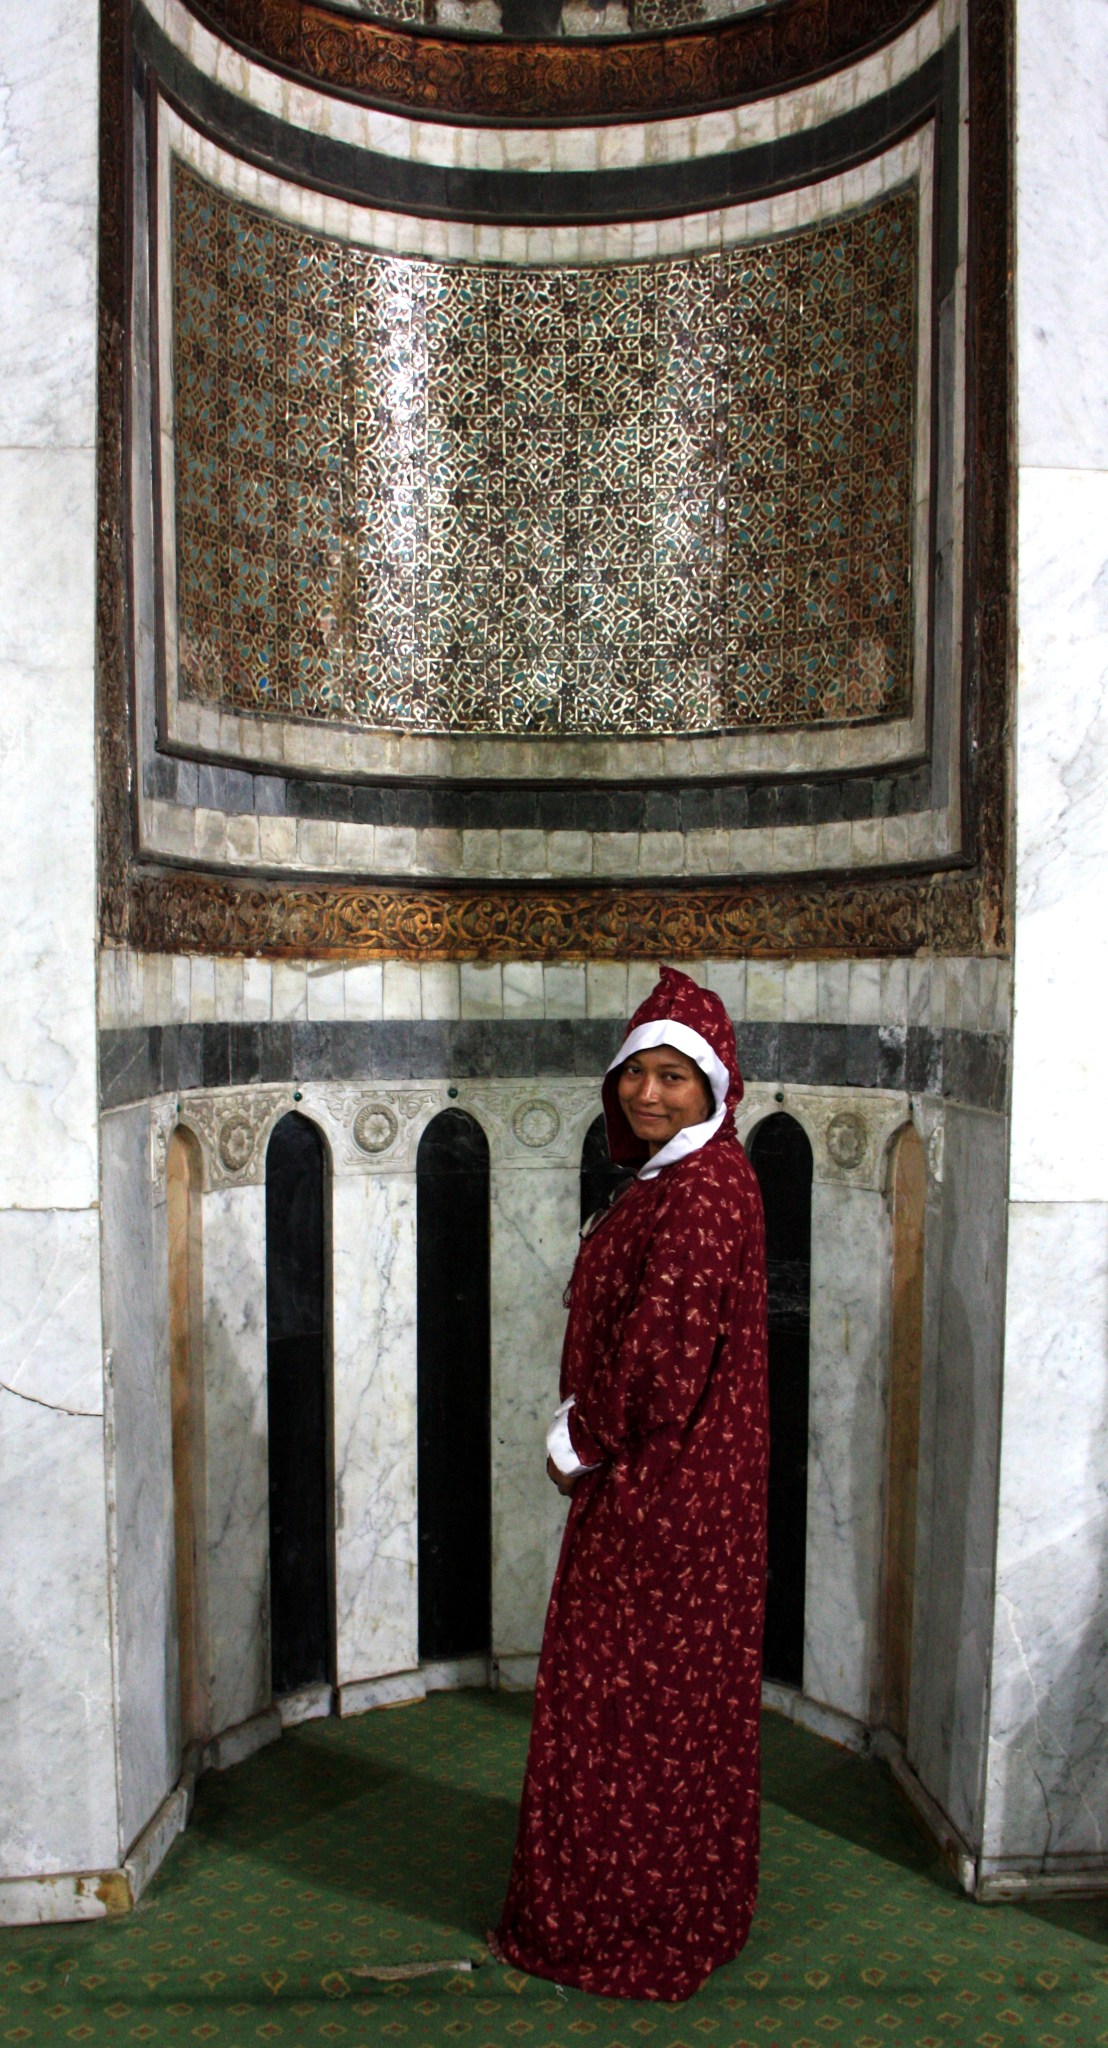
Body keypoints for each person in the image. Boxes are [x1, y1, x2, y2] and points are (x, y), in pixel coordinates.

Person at [493, 966, 769, 2003]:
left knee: (623, 1711)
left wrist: (580, 1439)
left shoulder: (700, 1195)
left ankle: (619, 1925)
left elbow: (658, 1366)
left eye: (671, 1076)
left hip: (662, 1498)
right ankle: (679, 1898)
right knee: (666, 1709)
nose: (647, 1094)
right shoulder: (699, 1175)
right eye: (635, 1073)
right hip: (688, 1493)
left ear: (712, 1085)